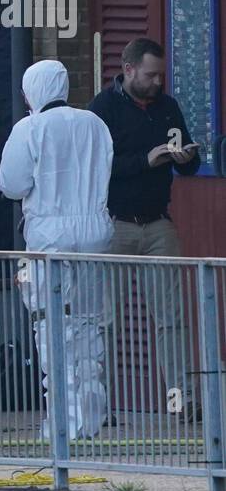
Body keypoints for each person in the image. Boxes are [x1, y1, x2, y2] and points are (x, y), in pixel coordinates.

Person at [0, 60, 113, 440]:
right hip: (96, 231)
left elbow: (12, 184)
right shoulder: (95, 124)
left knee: (51, 324)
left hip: (49, 234)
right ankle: (91, 416)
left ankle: (63, 421)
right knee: (88, 323)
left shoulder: (29, 128)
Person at [88, 37, 200, 417]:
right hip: (116, 223)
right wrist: (145, 160)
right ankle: (100, 406)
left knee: (172, 318)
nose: (157, 82)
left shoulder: (167, 107)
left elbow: (188, 164)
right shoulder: (103, 108)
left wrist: (186, 157)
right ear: (129, 69)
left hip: (157, 223)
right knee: (106, 319)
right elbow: (97, 168)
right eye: (150, 75)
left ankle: (180, 401)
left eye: (161, 76)